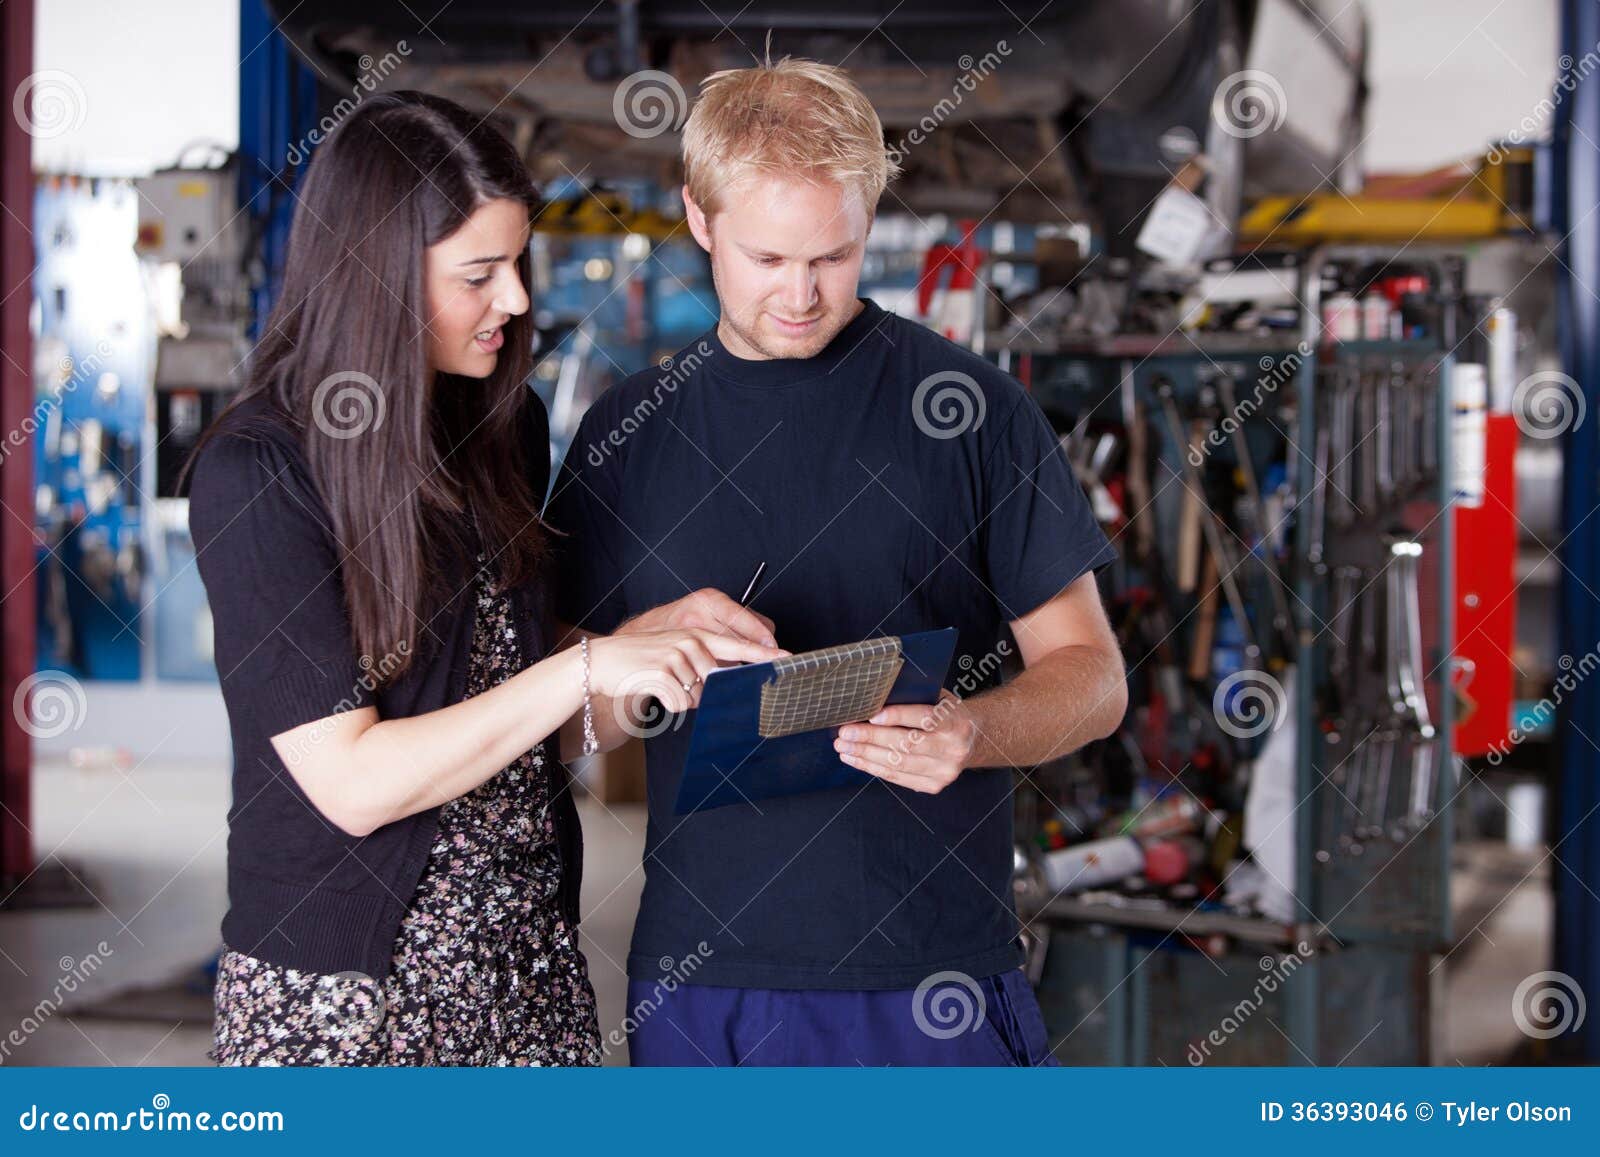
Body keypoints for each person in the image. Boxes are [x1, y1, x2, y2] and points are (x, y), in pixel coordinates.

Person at [546, 59, 1128, 1066]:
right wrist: (633, 657)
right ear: (697, 216)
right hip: (704, 976)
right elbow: (550, 721)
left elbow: (1095, 678)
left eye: (835, 255)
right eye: (767, 257)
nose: (802, 293)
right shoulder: (626, 432)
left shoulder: (971, 413)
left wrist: (974, 730)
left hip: (933, 972)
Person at [183, 90, 780, 1066]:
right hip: (344, 998)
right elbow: (353, 782)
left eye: (517, 262)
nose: (513, 299)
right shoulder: (261, 471)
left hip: (525, 967)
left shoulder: (500, 427)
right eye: (477, 272)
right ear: (375, 275)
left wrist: (650, 650)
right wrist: (585, 668)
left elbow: (528, 700)